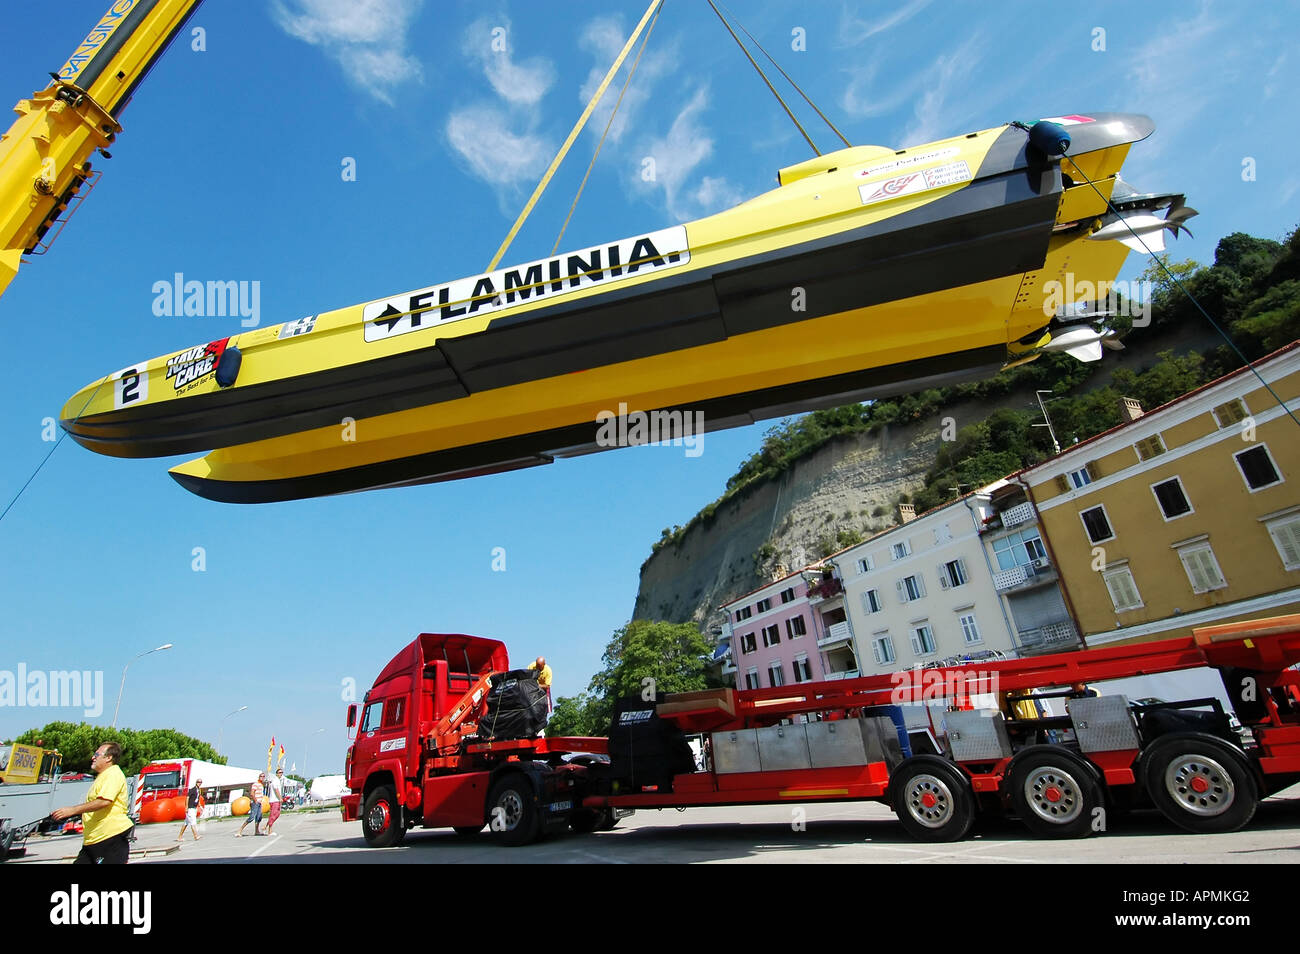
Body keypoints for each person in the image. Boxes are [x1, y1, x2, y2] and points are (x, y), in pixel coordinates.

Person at [52, 742, 133, 864]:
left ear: (108, 758)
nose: (93, 757)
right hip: (93, 840)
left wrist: (72, 810)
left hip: (109, 838)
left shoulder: (113, 774)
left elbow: (104, 801)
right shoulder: (102, 776)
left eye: (97, 754)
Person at [177, 776, 203, 842]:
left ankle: (179, 837)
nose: (199, 783)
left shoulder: (198, 790)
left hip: (194, 808)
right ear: (196, 782)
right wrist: (186, 807)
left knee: (186, 823)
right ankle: (195, 836)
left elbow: (197, 798)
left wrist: (199, 804)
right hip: (190, 808)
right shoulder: (192, 790)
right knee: (193, 822)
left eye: (200, 782)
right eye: (198, 782)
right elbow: (187, 798)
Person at [265, 767, 284, 835]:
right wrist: (280, 798)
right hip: (274, 800)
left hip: (276, 800)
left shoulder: (278, 780)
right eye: (279, 773)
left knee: (277, 814)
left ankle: (265, 827)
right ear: (276, 774)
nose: (281, 774)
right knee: (273, 815)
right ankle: (269, 830)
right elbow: (276, 789)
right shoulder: (275, 780)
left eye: (282, 773)